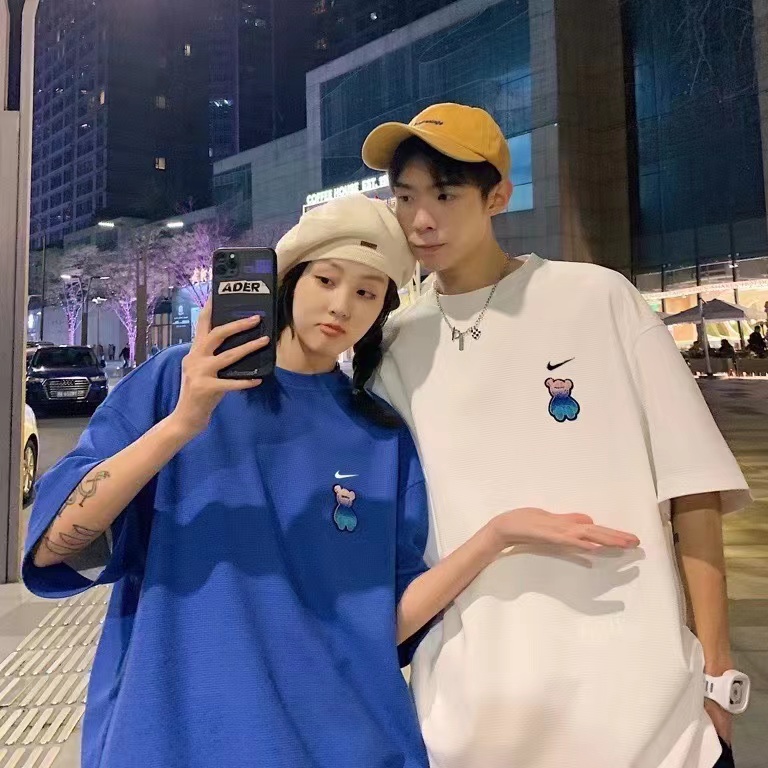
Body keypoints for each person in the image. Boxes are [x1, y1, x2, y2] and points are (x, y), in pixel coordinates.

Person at [23, 194, 638, 768]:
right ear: (288, 281)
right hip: (179, 728)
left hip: (340, 737)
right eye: (326, 280)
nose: (343, 306)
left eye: (368, 292)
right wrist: (183, 423)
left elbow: (382, 622)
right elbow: (55, 546)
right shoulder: (176, 381)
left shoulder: (378, 435)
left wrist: (495, 537)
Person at [362, 103, 751, 768]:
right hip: (473, 726)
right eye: (405, 197)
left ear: (497, 196)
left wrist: (716, 672)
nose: (421, 219)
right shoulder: (394, 345)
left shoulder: (598, 298)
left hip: (648, 721)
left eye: (445, 195)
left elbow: (694, 487)